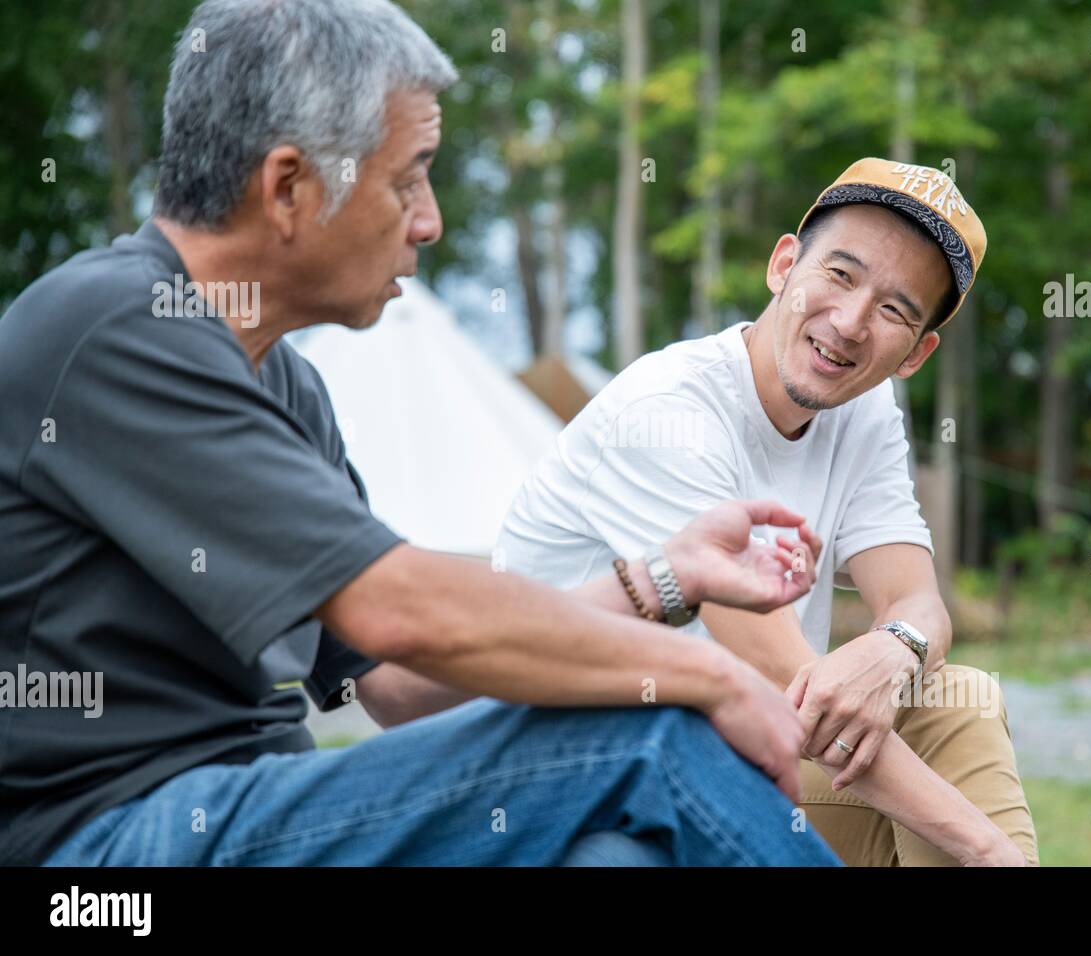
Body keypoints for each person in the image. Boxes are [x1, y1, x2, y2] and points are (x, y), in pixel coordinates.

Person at [0, 0, 843, 868]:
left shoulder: (285, 383)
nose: (430, 220)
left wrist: (664, 577)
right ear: (288, 188)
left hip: (250, 812)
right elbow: (402, 611)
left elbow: (393, 682)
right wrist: (711, 676)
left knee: (612, 859)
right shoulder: (114, 326)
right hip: (94, 852)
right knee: (647, 737)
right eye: (408, 179)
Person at [497, 158, 1039, 866]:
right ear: (784, 264)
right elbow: (789, 678)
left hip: (727, 760)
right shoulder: (668, 413)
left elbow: (917, 602)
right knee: (958, 822)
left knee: (954, 699)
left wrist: (893, 648)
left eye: (894, 309)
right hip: (577, 790)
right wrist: (987, 847)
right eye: (840, 275)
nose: (848, 324)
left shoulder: (864, 409)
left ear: (916, 353)